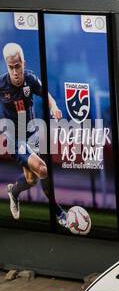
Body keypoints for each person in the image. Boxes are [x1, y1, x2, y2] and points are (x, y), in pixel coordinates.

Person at [1, 43, 67, 229]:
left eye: (18, 65)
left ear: (23, 62)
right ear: (7, 66)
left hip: (31, 134)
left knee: (31, 180)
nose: (15, 71)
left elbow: (46, 94)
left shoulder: (30, 79)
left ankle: (14, 192)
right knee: (43, 168)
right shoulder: (1, 84)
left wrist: (53, 106)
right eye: (11, 67)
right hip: (16, 139)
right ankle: (58, 212)